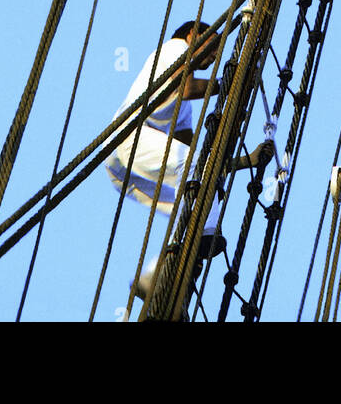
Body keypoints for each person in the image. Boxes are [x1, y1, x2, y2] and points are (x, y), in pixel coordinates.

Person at [104, 22, 270, 300]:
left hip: (124, 171)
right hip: (129, 135)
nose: (216, 55)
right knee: (198, 196)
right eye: (214, 45)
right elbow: (186, 86)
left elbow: (199, 160)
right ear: (193, 35)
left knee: (191, 204)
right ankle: (207, 233)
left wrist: (245, 161)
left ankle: (152, 278)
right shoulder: (174, 48)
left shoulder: (183, 108)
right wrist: (231, 84)